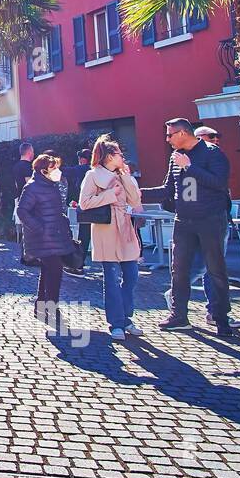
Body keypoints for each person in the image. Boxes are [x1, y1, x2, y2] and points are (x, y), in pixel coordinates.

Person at [142, 117, 236, 337]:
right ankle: (179, 316)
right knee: (179, 270)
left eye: (170, 135)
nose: (167, 140)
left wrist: (191, 167)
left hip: (211, 219)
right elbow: (167, 190)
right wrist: (135, 192)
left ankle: (221, 319)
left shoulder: (212, 153)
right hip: (183, 220)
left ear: (183, 133)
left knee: (216, 270)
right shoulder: (175, 159)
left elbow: (219, 183)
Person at [79, 137, 144, 340]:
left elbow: (135, 200)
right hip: (106, 230)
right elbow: (84, 203)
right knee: (111, 278)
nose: (122, 157)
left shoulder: (123, 175)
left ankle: (126, 317)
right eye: (118, 154)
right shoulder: (92, 175)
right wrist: (110, 194)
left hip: (125, 228)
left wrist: (126, 178)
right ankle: (116, 322)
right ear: (109, 156)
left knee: (132, 275)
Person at [193, 125, 240, 329]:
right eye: (211, 137)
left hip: (218, 219)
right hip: (205, 221)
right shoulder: (193, 162)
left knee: (208, 267)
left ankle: (213, 311)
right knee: (211, 268)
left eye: (217, 136)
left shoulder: (214, 160)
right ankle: (215, 311)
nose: (216, 140)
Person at [17, 154, 76, 329]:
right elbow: (22, 211)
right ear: (44, 170)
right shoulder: (32, 188)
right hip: (42, 237)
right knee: (55, 269)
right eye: (53, 168)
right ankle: (51, 307)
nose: (57, 171)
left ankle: (41, 304)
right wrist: (40, 228)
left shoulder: (52, 186)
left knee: (49, 269)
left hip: (54, 236)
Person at [63, 148, 93, 275]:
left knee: (84, 236)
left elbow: (66, 171)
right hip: (98, 208)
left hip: (87, 209)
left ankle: (78, 264)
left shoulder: (83, 169)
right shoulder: (95, 169)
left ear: (82, 159)